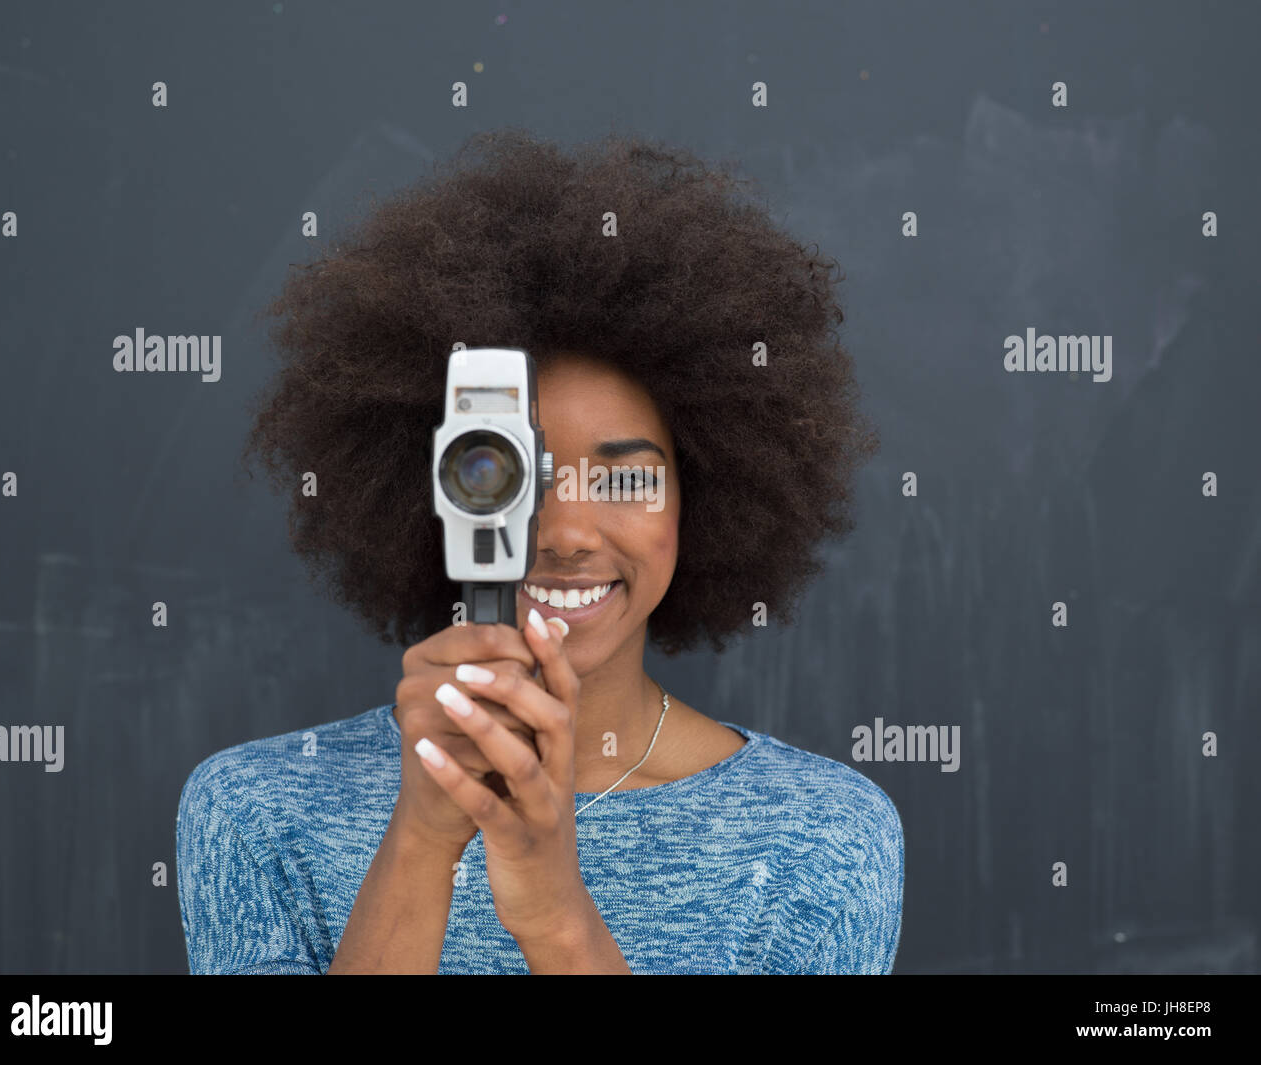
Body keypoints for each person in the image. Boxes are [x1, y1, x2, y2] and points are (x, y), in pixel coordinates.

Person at [176, 128, 903, 974]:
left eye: (627, 480)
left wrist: (558, 918)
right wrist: (419, 841)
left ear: (703, 502)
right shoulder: (256, 812)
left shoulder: (822, 840)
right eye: (510, 474)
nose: (563, 534)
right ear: (428, 491)